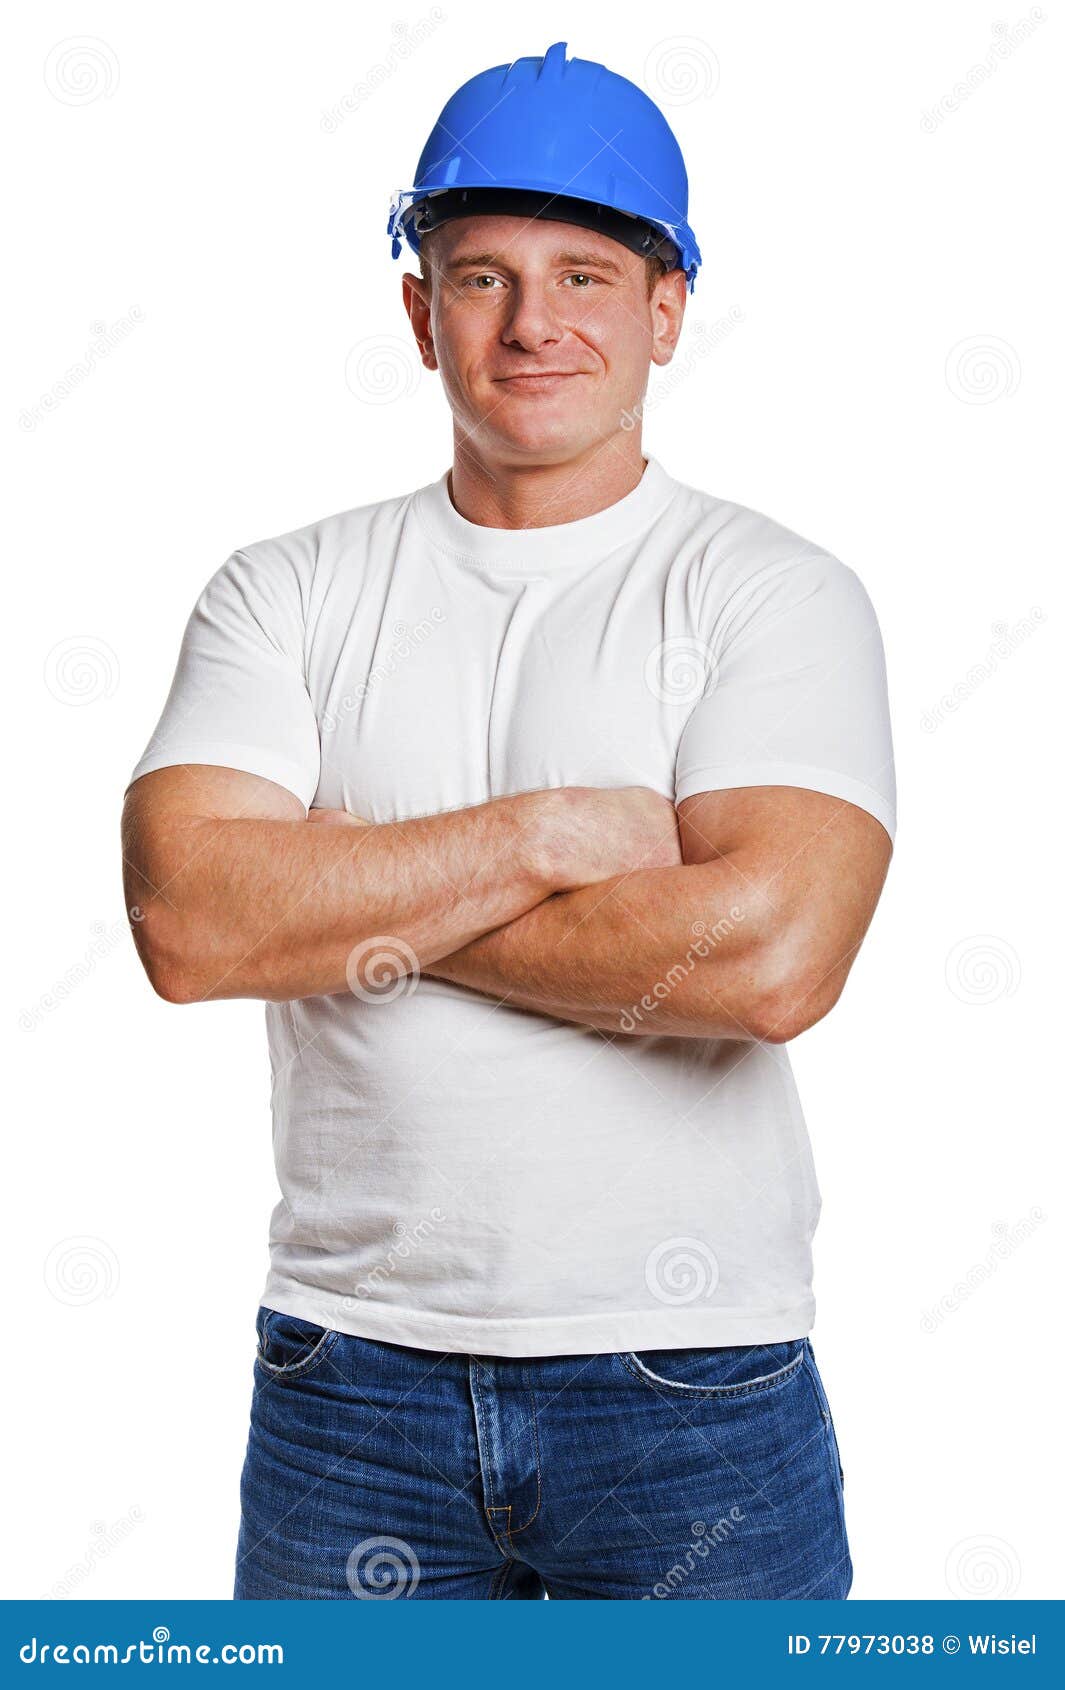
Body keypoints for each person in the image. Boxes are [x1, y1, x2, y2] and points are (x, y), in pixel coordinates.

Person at [122, 41, 896, 1600]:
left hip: (693, 1382)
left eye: (586, 275)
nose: (534, 323)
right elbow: (195, 927)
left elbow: (773, 961)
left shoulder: (771, 593)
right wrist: (549, 836)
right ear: (419, 312)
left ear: (666, 309)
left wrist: (347, 903)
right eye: (480, 276)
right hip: (352, 1375)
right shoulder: (284, 589)